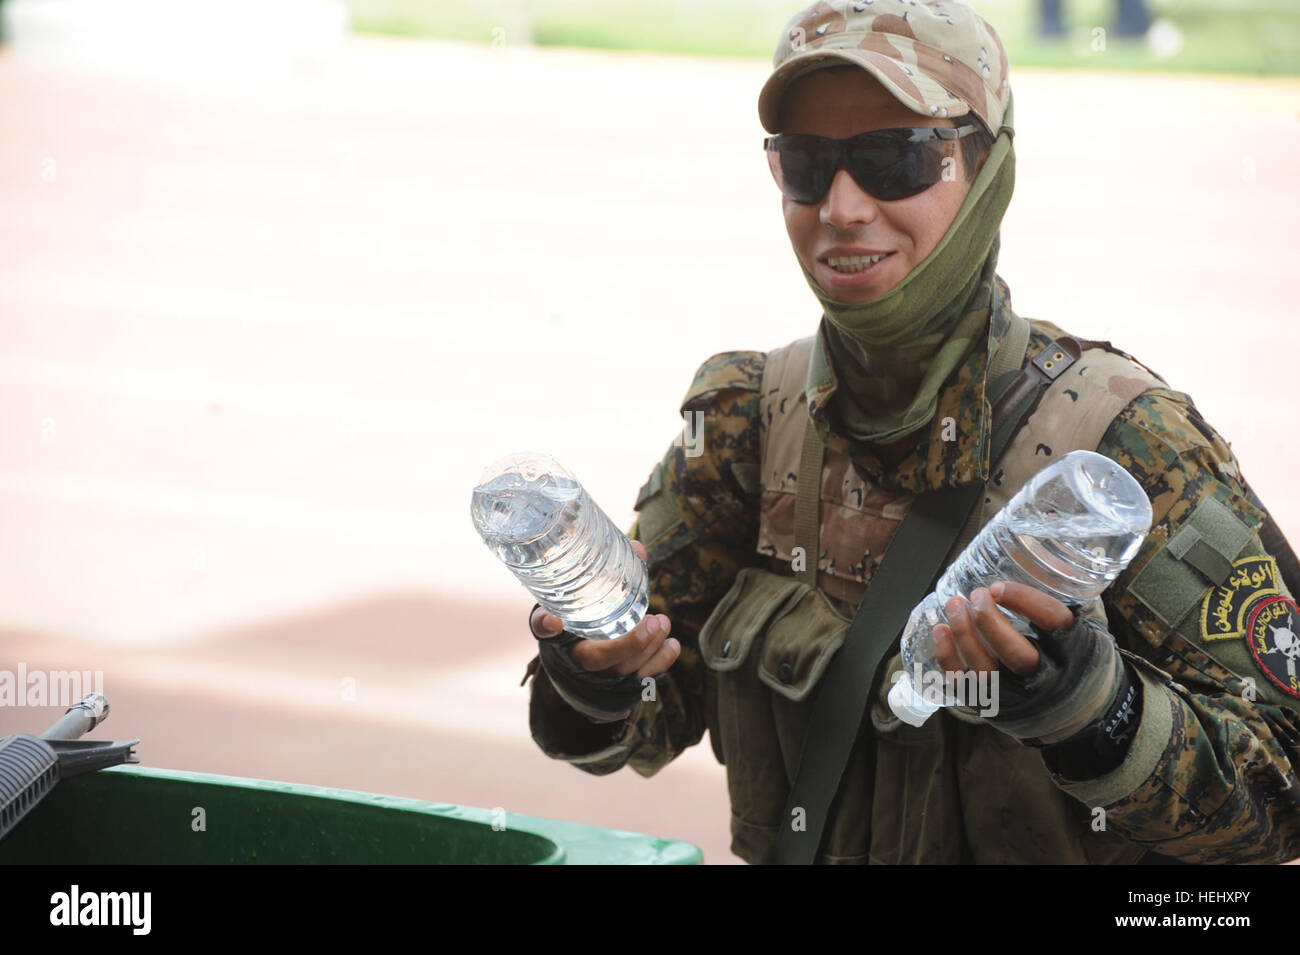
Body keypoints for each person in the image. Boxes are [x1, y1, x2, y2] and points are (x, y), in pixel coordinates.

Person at [519, 0, 1300, 865]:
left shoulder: (1120, 447)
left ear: (987, 170)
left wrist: (1092, 707)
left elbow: (1286, 784)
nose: (842, 208)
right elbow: (639, 726)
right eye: (806, 165)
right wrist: (592, 674)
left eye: (895, 159)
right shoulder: (748, 421)